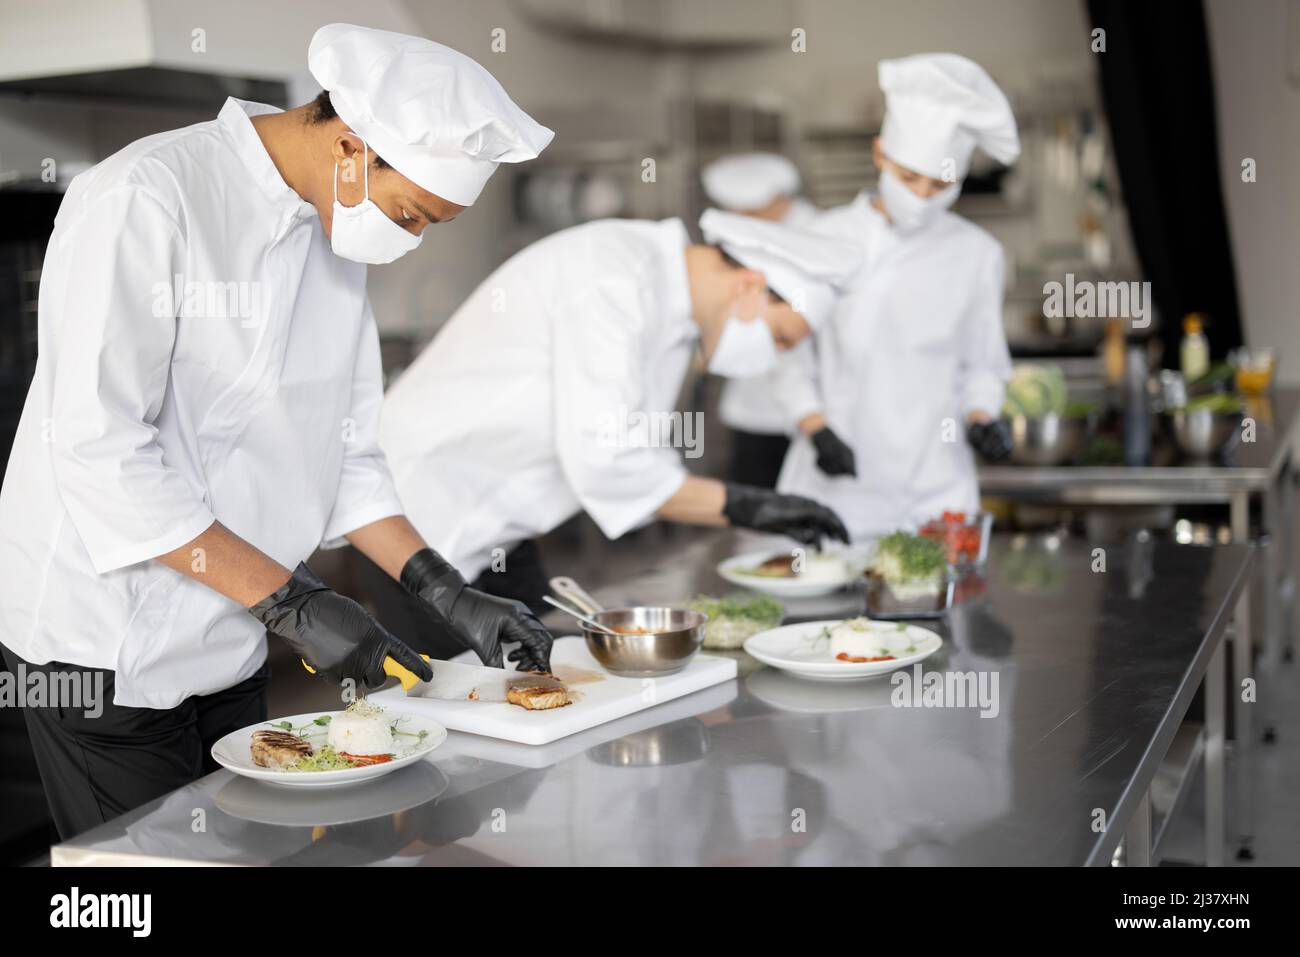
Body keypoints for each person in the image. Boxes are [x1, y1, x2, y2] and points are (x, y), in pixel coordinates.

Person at [0, 23, 556, 838]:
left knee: (249, 855)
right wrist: (296, 603)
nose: (409, 238)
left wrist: (443, 588)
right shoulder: (146, 196)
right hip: (106, 649)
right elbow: (99, 451)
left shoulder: (334, 226)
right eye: (413, 213)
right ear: (352, 146)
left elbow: (349, 450)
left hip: (232, 633)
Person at [378, 209, 858, 616]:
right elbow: (609, 460)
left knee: (540, 672)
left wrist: (752, 508)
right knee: (450, 698)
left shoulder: (674, 315)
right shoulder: (615, 277)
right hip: (421, 518)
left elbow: (644, 457)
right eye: (779, 337)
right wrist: (749, 507)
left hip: (500, 526)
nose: (771, 357)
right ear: (751, 286)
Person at [777, 53, 1019, 539]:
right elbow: (788, 352)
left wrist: (982, 417)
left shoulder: (977, 254)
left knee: (940, 607)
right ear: (880, 153)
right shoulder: (820, 238)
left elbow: (984, 364)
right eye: (910, 178)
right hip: (838, 481)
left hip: (936, 486)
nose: (924, 196)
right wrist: (814, 426)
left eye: (941, 184)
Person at [700, 153, 828, 489]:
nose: (739, 219)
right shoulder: (743, 237)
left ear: (778, 199)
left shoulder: (819, 236)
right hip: (753, 406)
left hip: (815, 405)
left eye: (748, 212)